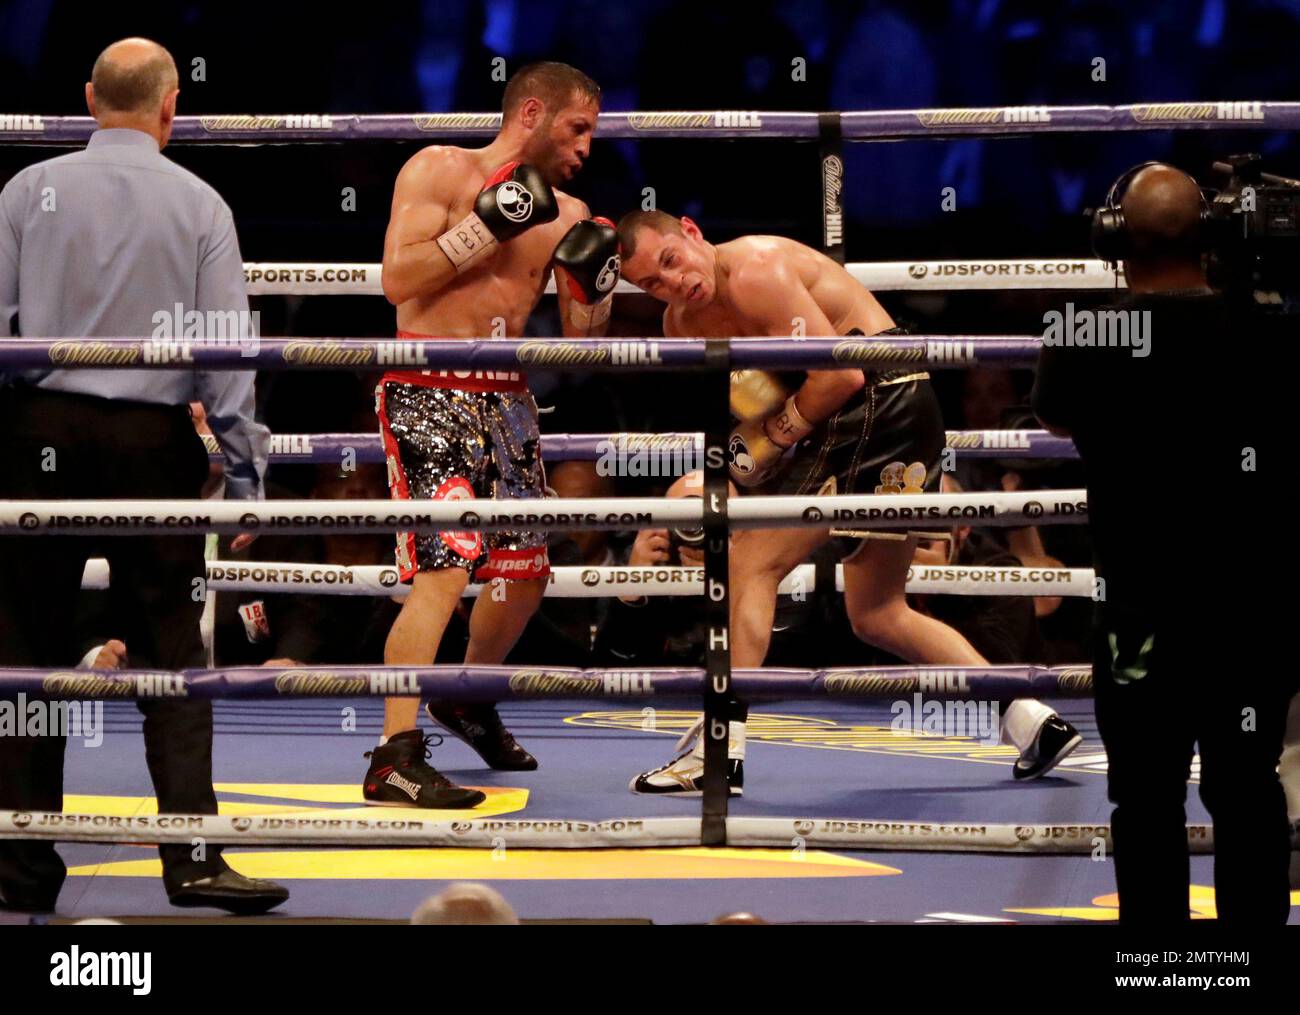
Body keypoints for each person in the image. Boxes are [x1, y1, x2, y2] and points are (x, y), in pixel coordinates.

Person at [616, 211, 1077, 794]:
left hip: (877, 400)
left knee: (749, 563)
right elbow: (757, 399)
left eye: (671, 260)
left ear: (690, 231)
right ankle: (1033, 720)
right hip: (890, 411)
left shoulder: (756, 269)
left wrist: (776, 434)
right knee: (879, 612)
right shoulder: (680, 325)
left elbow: (840, 378)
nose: (673, 282)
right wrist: (757, 443)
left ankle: (717, 751)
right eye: (653, 282)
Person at [0, 38, 286, 914]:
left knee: (24, 650)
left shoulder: (23, 192)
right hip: (151, 441)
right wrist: (245, 475)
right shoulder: (199, 202)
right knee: (170, 647)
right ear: (170, 109)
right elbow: (224, 354)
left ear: (90, 99)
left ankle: (16, 864)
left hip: (38, 430)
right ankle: (193, 859)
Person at [1034, 162, 1289, 922]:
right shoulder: (1266, 326)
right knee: (1248, 785)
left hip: (1140, 612)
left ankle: (1159, 971)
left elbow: (1056, 418)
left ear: (1113, 235)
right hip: (1254, 604)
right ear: (1208, 234)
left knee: (1144, 795)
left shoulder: (1082, 327)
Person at [367, 61, 620, 806]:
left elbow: (582, 345)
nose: (585, 148)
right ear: (533, 112)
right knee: (445, 567)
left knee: (524, 572)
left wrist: (594, 284)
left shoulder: (571, 216)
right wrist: (487, 224)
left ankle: (467, 695)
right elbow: (397, 279)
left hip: (508, 398)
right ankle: (393, 753)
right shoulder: (439, 169)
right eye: (578, 129)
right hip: (427, 380)